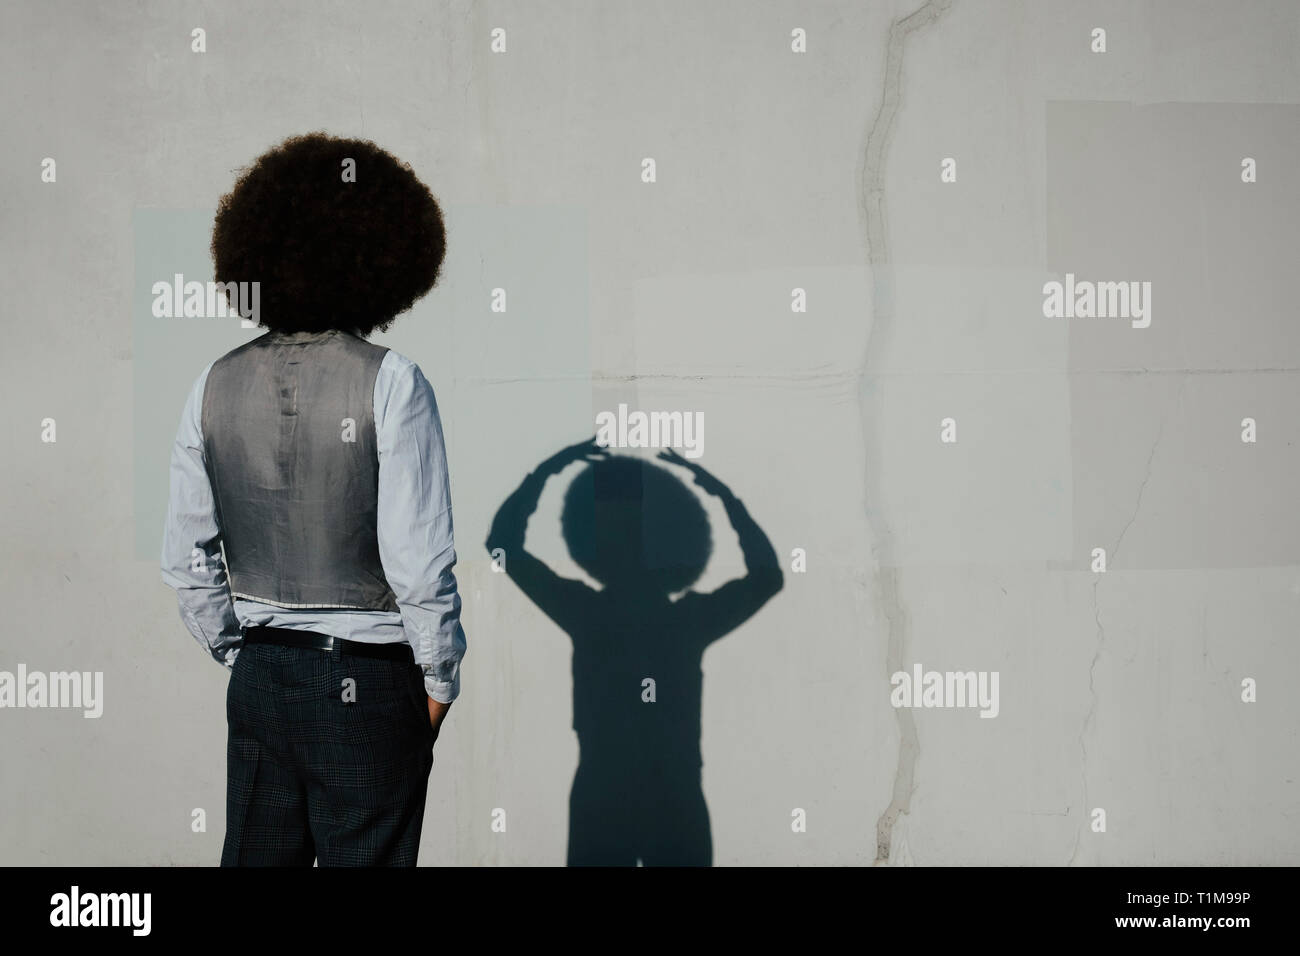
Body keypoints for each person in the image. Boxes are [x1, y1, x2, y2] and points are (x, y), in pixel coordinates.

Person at [160, 132, 466, 866]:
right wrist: (439, 677)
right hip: (369, 679)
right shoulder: (391, 381)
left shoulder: (212, 384)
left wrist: (248, 656)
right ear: (386, 258)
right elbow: (418, 565)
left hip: (264, 678)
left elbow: (184, 562)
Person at [485, 437, 782, 864]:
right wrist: (724, 496)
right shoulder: (685, 622)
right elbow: (766, 576)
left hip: (604, 793)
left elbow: (503, 545)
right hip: (671, 792)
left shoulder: (586, 613)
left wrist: (547, 470)